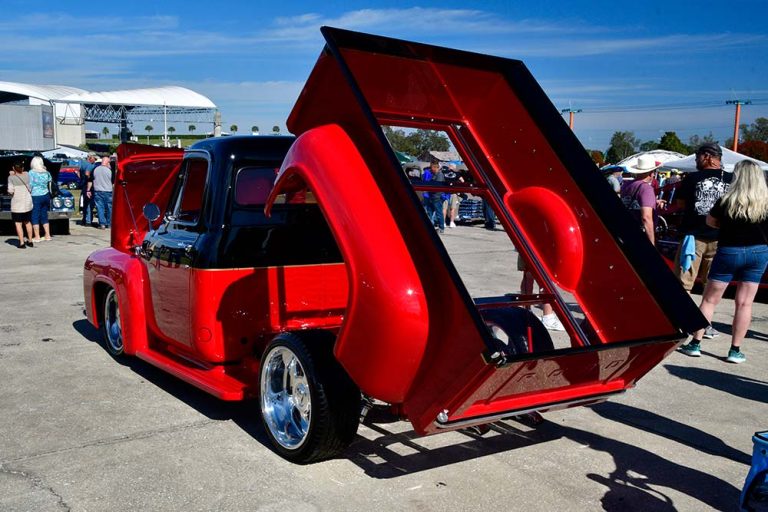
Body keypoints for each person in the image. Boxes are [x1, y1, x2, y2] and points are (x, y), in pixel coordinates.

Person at [678, 160, 768, 363]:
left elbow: (710, 221)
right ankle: (735, 350)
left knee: (710, 299)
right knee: (745, 303)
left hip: (729, 250)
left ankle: (695, 344)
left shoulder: (727, 200)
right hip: (759, 252)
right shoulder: (765, 202)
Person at [673, 142, 731, 339]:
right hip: (721, 239)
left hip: (693, 237)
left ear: (707, 156)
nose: (696, 160)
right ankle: (704, 324)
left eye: (697, 156)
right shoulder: (731, 179)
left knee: (684, 282)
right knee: (711, 286)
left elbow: (680, 204)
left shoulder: (692, 179)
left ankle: (682, 322)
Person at [620, 156, 660, 245]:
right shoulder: (646, 188)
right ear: (651, 173)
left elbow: (633, 201)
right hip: (640, 235)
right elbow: (646, 217)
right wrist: (652, 243)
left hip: (625, 230)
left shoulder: (626, 185)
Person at [7, 161, 34, 248]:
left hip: (17, 205)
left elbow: (11, 191)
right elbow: (25, 173)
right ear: (22, 168)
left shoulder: (11, 178)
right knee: (28, 222)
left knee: (18, 224)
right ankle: (30, 241)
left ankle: (22, 243)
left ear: (14, 168)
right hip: (27, 204)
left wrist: (12, 174)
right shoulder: (27, 175)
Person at [28, 156, 52, 242]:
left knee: (35, 215)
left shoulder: (31, 173)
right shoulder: (47, 173)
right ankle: (47, 235)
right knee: (44, 215)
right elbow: (50, 183)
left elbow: (29, 185)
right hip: (46, 195)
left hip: (35, 196)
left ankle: (37, 236)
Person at [92, 156, 114, 229]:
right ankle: (109, 223)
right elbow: (113, 182)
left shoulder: (95, 169)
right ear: (107, 162)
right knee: (109, 208)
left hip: (98, 191)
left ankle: (102, 224)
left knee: (100, 208)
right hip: (108, 191)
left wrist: (88, 190)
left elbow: (91, 180)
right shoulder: (110, 171)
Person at [80, 153, 97, 226]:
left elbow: (78, 172)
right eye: (94, 158)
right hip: (89, 186)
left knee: (85, 203)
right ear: (90, 157)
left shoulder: (82, 163)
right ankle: (88, 220)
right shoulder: (90, 165)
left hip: (83, 185)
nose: (95, 160)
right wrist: (90, 178)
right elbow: (87, 173)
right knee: (90, 203)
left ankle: (84, 219)